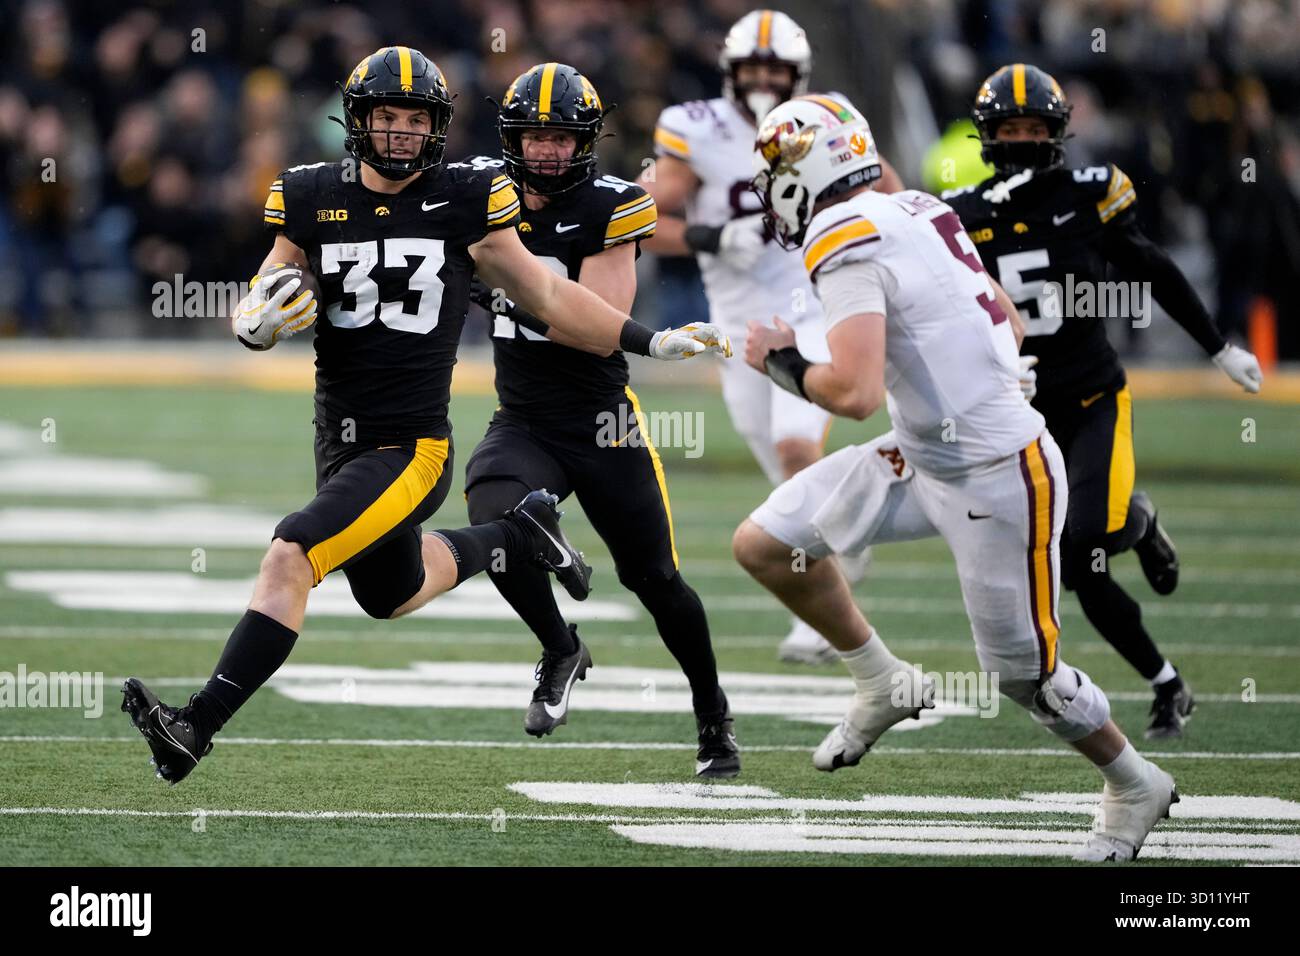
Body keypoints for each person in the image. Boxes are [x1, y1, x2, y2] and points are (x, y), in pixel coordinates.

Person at [120, 46, 730, 785]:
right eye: (389, 117)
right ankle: (514, 531)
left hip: (409, 447)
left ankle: (196, 725)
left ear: (438, 126)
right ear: (359, 121)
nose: (404, 132)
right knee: (390, 593)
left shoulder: (468, 197)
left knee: (290, 553)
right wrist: (255, 317)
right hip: (339, 436)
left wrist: (650, 340)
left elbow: (552, 298)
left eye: (417, 118)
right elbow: (271, 282)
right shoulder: (313, 193)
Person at [733, 92, 1178, 862]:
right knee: (765, 543)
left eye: (777, 172)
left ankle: (1135, 782)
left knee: (1026, 678)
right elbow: (1007, 316)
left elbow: (855, 393)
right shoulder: (913, 204)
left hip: (999, 476)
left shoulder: (843, 237)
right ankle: (883, 682)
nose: (771, 191)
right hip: (926, 455)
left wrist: (779, 358)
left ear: (808, 171)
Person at [943, 64, 1263, 738]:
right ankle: (1168, 684)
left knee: (1086, 541)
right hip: (1022, 415)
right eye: (1011, 128)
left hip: (1091, 399)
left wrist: (1217, 346)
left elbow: (1152, 266)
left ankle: (1135, 525)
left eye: (1035, 128)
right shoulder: (965, 215)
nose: (1024, 138)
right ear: (989, 136)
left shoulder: (1089, 193)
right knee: (1077, 572)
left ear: (1056, 133)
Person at [462, 63, 738, 777]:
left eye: (561, 138)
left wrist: (490, 294)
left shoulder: (613, 203)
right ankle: (561, 647)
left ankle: (712, 713)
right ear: (511, 139)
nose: (547, 152)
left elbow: (594, 327)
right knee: (493, 513)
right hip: (523, 417)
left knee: (654, 579)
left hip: (600, 421)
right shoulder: (479, 190)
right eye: (534, 137)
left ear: (584, 140)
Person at [638, 9, 903, 664]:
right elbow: (642, 218)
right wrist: (705, 235)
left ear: (797, 73)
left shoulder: (828, 113)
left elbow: (887, 192)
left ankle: (823, 619)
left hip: (815, 299)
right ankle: (849, 529)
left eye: (773, 68)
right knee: (784, 477)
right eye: (751, 67)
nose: (761, 78)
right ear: (730, 72)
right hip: (737, 323)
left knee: (793, 447)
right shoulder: (694, 126)